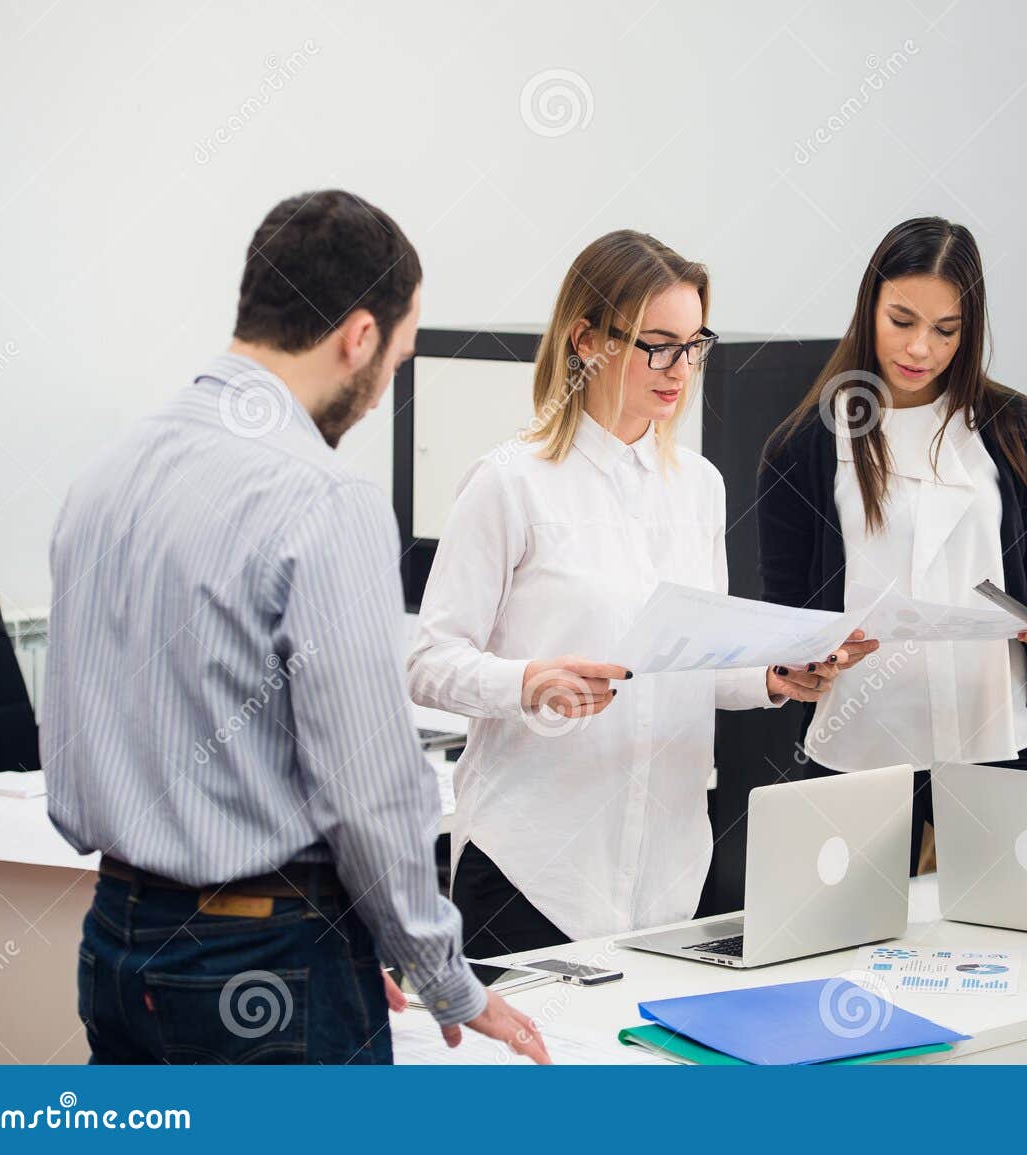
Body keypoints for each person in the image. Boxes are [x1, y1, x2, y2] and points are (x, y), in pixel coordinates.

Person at [44, 190, 547, 1064]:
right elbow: (369, 785)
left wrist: (352, 937)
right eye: (399, 352)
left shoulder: (106, 474)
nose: (389, 379)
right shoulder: (323, 497)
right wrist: (441, 969)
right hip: (264, 965)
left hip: (119, 941)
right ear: (358, 336)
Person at [406, 229, 850, 957]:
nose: (680, 368)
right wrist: (527, 681)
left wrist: (773, 676)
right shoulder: (509, 483)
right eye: (657, 344)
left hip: (668, 876)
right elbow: (428, 660)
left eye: (693, 343)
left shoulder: (699, 488)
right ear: (587, 340)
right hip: (533, 874)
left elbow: (695, 664)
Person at [757, 217, 1027, 872]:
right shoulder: (805, 446)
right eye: (901, 319)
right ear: (868, 306)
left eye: (946, 329)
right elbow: (787, 620)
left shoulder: (1012, 426)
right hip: (860, 736)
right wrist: (804, 659)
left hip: (993, 729)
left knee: (1016, 937)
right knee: (844, 944)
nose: (920, 349)